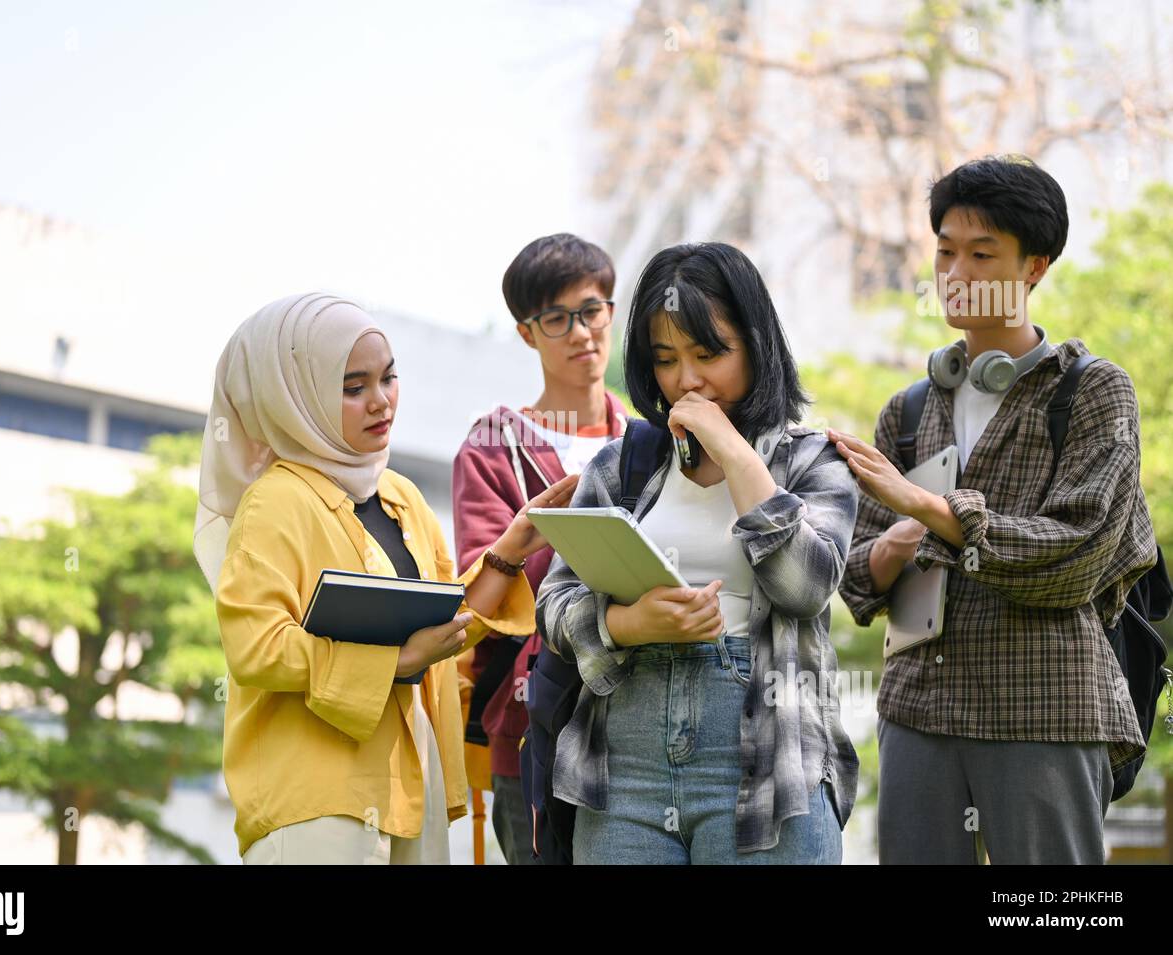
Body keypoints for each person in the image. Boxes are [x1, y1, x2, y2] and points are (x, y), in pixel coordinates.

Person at [832, 155, 1158, 864]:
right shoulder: (911, 410)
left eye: (983, 254)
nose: (957, 272)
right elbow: (855, 578)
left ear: (1034, 267)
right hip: (917, 709)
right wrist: (893, 544)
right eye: (946, 251)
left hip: (1044, 709)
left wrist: (931, 509)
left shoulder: (1092, 391)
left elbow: (1073, 556)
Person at [194, 292, 578, 864]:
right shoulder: (274, 502)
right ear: (296, 397)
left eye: (389, 379)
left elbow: (442, 627)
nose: (381, 402)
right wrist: (394, 662)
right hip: (315, 799)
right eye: (354, 388)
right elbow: (256, 647)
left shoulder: (400, 496)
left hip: (407, 784)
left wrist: (510, 550)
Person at [535, 242, 859, 864]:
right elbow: (553, 602)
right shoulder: (621, 464)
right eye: (666, 359)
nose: (686, 380)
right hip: (620, 772)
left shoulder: (813, 461)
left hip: (768, 767)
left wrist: (734, 452)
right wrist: (625, 624)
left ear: (757, 344)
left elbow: (806, 587)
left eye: (709, 354)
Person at [451, 233, 628, 864]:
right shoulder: (496, 443)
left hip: (637, 722)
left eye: (593, 310)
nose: (582, 332)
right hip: (531, 724)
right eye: (557, 319)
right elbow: (481, 590)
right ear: (527, 333)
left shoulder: (646, 437)